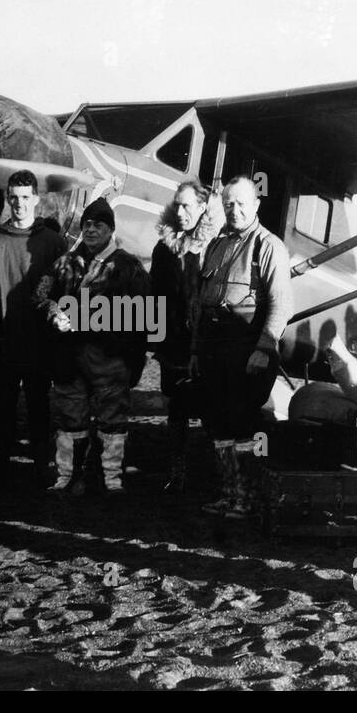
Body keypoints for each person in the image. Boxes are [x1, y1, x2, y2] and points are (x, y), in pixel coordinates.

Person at [190, 175, 292, 518]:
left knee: (243, 425)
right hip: (213, 350)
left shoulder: (269, 246)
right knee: (217, 424)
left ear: (256, 205)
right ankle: (230, 493)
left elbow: (281, 305)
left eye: (242, 204)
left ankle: (249, 497)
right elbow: (200, 304)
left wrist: (264, 349)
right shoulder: (217, 245)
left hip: (247, 350)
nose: (234, 210)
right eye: (229, 203)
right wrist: (194, 352)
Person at [36, 198, 151, 498]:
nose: (90, 229)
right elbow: (41, 294)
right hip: (69, 361)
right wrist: (52, 310)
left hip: (110, 361)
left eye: (98, 225)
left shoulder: (129, 267)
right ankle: (67, 477)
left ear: (111, 229)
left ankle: (111, 478)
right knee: (69, 420)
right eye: (86, 224)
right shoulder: (66, 262)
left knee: (112, 422)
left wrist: (82, 318)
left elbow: (145, 315)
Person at [0, 170, 69, 491]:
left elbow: (65, 292)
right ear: (7, 199)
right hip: (3, 341)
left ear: (36, 199)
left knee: (38, 408)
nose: (18, 204)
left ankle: (39, 468)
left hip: (39, 345)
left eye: (25, 197)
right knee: (4, 408)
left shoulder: (53, 243)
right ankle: (0, 469)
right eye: (13, 197)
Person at [149, 179, 221, 493]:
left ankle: (217, 476)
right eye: (177, 204)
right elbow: (155, 296)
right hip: (173, 343)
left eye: (187, 205)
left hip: (206, 343)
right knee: (176, 410)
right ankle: (176, 473)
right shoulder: (164, 247)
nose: (180, 212)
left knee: (211, 410)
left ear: (203, 207)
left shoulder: (217, 245)